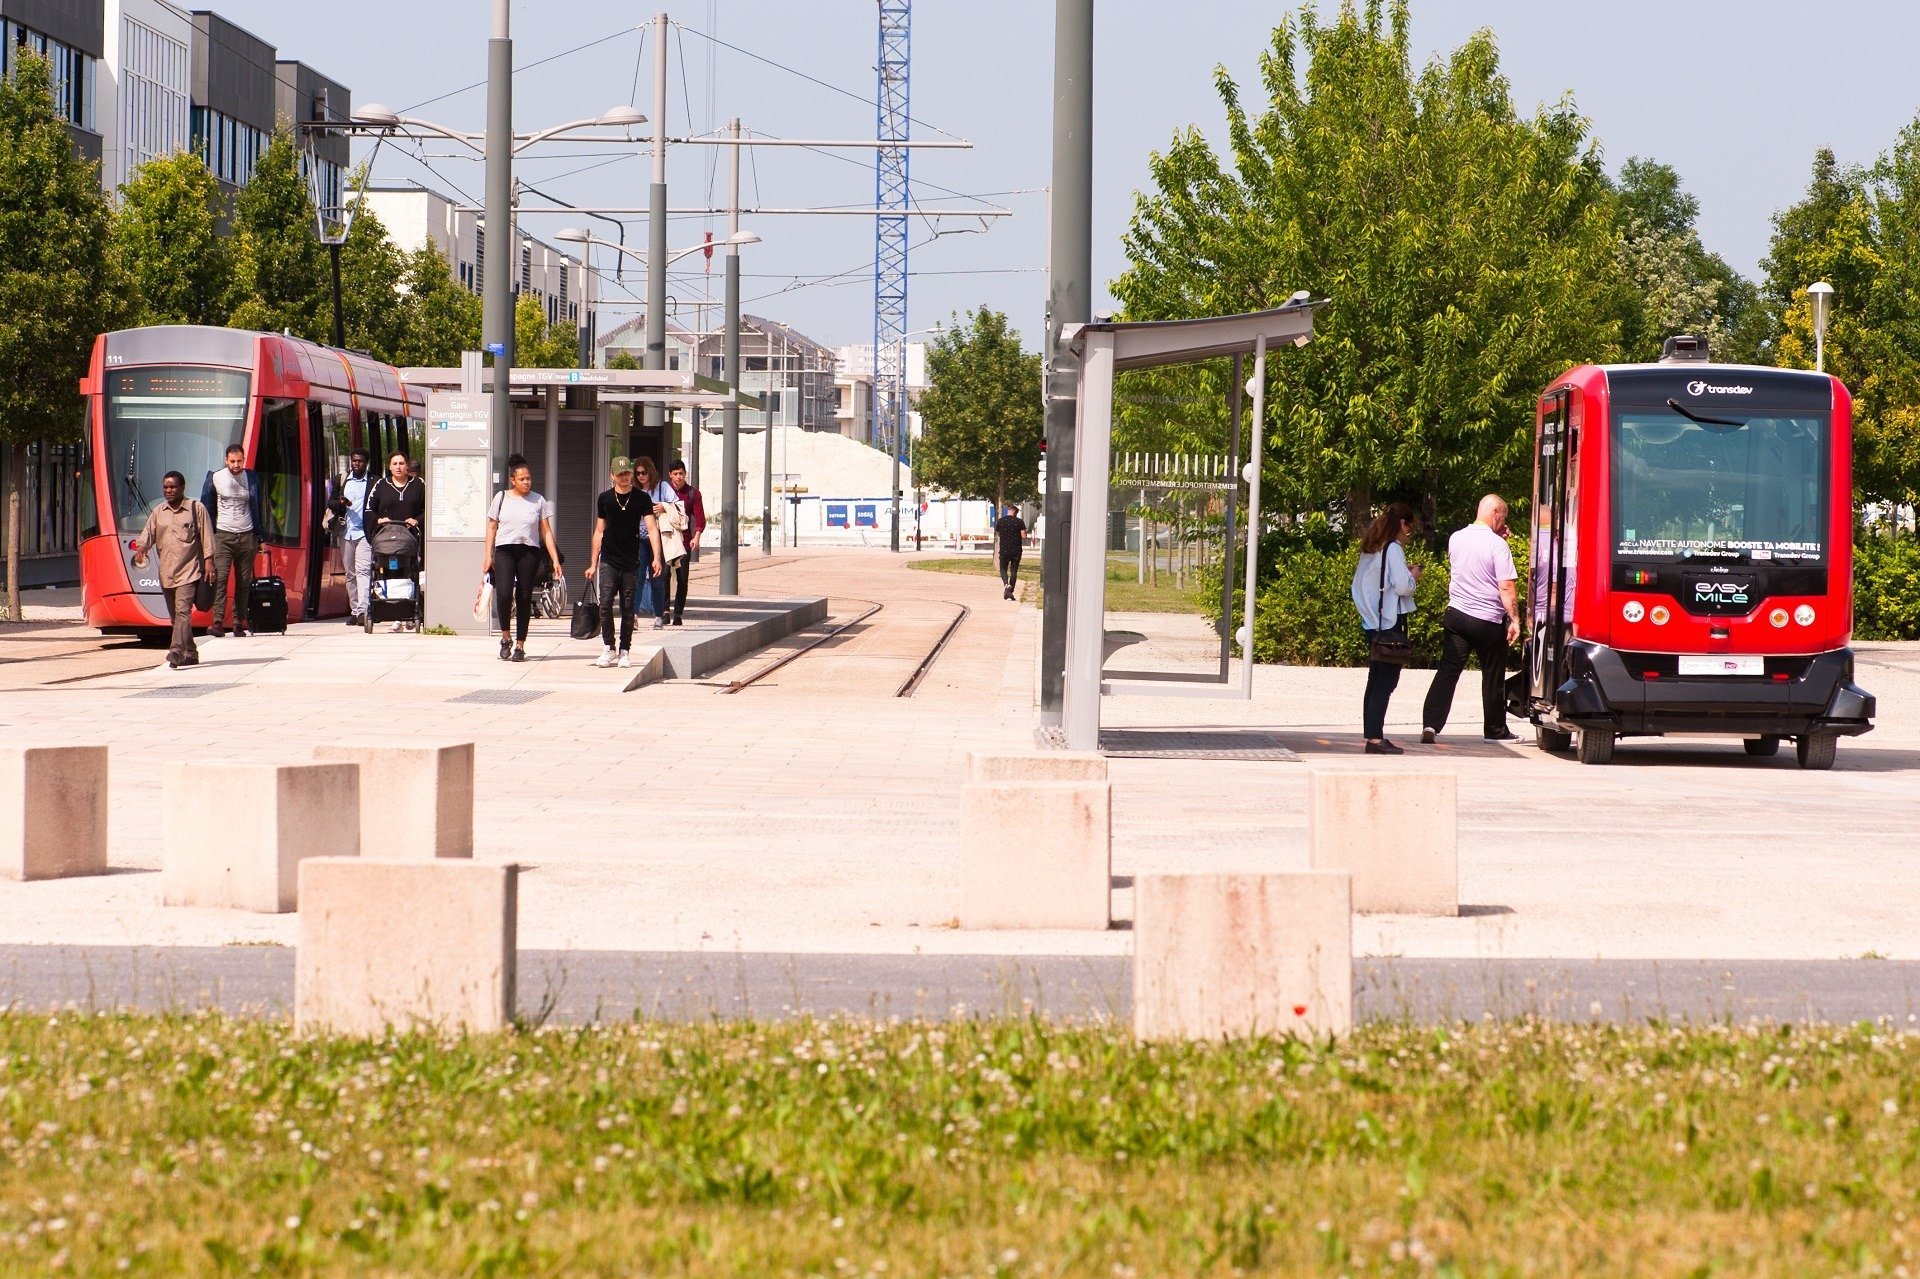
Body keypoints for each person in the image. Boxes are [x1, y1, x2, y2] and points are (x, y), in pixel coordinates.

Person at [1421, 494, 1521, 743]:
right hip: (1487, 619)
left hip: (1456, 615)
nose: (1503, 522)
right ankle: (1495, 730)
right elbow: (1506, 586)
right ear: (1496, 512)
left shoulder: (1456, 538)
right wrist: (1515, 619)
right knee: (1492, 674)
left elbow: (1473, 564)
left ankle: (1431, 725)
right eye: (1503, 517)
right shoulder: (1498, 546)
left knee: (1448, 671)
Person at [1350, 503, 1420, 755]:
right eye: (1409, 527)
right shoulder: (1393, 549)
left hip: (1373, 622)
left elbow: (1357, 587)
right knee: (1386, 681)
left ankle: (1372, 734)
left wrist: (1368, 615)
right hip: (1389, 622)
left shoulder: (1372, 548)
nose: (1409, 533)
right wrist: (1413, 576)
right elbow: (1402, 586)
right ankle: (1376, 739)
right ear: (1402, 524)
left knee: (1375, 679)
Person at [481, 453, 565, 662]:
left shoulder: (538, 500)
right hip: (505, 551)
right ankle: (505, 638)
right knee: (504, 594)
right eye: (522, 479)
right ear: (513, 480)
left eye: (528, 478)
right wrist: (487, 555)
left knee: (525, 597)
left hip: (529, 552)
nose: (526, 482)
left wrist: (555, 559)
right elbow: (492, 527)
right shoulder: (500, 498)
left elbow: (546, 532)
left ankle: (520, 645)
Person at [130, 471, 215, 669]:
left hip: (189, 569)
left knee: (183, 612)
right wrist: (141, 548)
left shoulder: (196, 508)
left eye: (173, 487)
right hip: (166, 572)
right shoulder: (158, 511)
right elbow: (147, 534)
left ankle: (176, 650)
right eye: (166, 487)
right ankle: (191, 652)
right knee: (176, 617)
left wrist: (209, 561)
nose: (169, 490)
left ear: (182, 488)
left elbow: (207, 536)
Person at [585, 455, 664, 668]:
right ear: (612, 475)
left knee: (628, 608)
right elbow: (599, 531)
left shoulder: (641, 499)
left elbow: (652, 529)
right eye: (619, 474)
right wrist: (593, 563)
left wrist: (656, 557)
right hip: (609, 559)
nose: (624, 477)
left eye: (627, 473)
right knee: (606, 603)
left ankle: (625, 650)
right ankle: (608, 647)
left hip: (631, 560)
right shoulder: (605, 498)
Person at [199, 444, 262, 638]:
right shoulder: (215, 478)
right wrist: (206, 538)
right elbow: (206, 509)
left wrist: (260, 538)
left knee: (244, 582)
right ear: (226, 461)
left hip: (247, 535)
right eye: (232, 461)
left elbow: (259, 508)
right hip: (223, 535)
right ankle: (217, 621)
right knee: (220, 578)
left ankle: (238, 623)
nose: (236, 465)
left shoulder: (252, 478)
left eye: (239, 461)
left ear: (244, 460)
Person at [365, 450, 425, 632]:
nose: (398, 467)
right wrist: (378, 520)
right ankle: (391, 613)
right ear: (389, 466)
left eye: (401, 463)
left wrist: (418, 520)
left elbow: (429, 508)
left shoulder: (419, 485)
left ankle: (411, 610)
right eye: (394, 464)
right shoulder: (381, 485)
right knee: (386, 573)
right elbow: (369, 510)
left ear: (407, 465)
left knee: (411, 572)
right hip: (387, 540)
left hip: (410, 540)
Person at [636, 456, 677, 630]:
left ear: (650, 472)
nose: (641, 476)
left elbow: (678, 506)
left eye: (644, 473)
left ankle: (659, 615)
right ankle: (634, 615)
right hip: (639, 538)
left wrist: (663, 507)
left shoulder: (662, 487)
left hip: (658, 537)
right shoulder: (634, 491)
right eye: (637, 473)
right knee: (637, 577)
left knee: (657, 577)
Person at [333, 449, 373, 626]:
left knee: (363, 571)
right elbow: (330, 502)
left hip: (364, 533)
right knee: (350, 574)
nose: (356, 464)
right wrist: (340, 503)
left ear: (366, 463)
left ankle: (364, 611)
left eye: (360, 461)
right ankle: (355, 610)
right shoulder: (342, 480)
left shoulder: (374, 481)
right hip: (345, 532)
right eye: (354, 461)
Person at [664, 459, 705, 626]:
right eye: (675, 474)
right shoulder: (664, 492)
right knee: (664, 575)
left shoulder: (693, 493)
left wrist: (696, 537)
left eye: (681, 473)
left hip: (684, 541)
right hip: (666, 540)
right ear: (670, 475)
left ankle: (678, 613)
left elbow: (700, 517)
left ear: (685, 474)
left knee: (682, 577)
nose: (679, 477)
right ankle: (665, 610)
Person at [993, 506, 1027, 600]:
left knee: (1003, 569)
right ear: (1016, 512)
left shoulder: (1000, 521)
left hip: (1004, 550)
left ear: (1008, 511)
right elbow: (1023, 536)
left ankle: (1006, 585)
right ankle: (1010, 591)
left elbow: (998, 533)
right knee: (1014, 571)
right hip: (1016, 550)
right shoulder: (1019, 521)